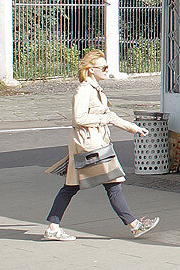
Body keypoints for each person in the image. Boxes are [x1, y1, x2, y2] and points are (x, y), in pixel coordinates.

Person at [43, 50, 159, 241]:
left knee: (75, 186)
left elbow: (110, 116)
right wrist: (103, 119)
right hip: (90, 145)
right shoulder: (84, 90)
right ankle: (134, 226)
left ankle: (53, 226)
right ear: (90, 70)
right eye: (103, 67)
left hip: (94, 143)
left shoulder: (95, 88)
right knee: (110, 184)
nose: (106, 70)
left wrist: (133, 128)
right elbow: (79, 118)